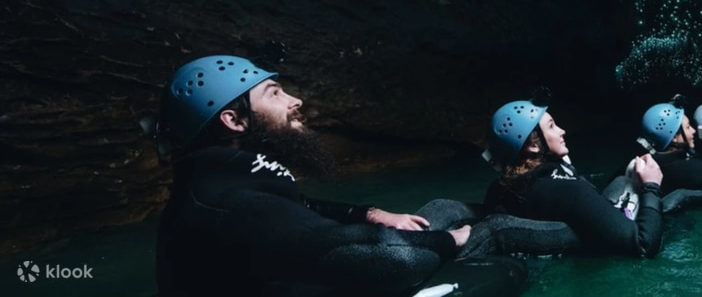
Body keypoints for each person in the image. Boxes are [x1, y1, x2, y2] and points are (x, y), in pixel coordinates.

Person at [150, 55, 526, 297]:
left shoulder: (221, 180)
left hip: (308, 272)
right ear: (233, 120)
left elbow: (299, 209)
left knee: (440, 210)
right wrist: (450, 241)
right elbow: (392, 261)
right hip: (343, 271)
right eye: (275, 93)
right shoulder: (231, 202)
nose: (295, 101)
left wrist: (370, 214)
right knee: (501, 270)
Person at [480, 91, 667, 258]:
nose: (562, 131)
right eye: (552, 126)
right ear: (533, 145)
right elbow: (644, 244)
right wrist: (652, 186)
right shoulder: (569, 191)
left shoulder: (499, 188)